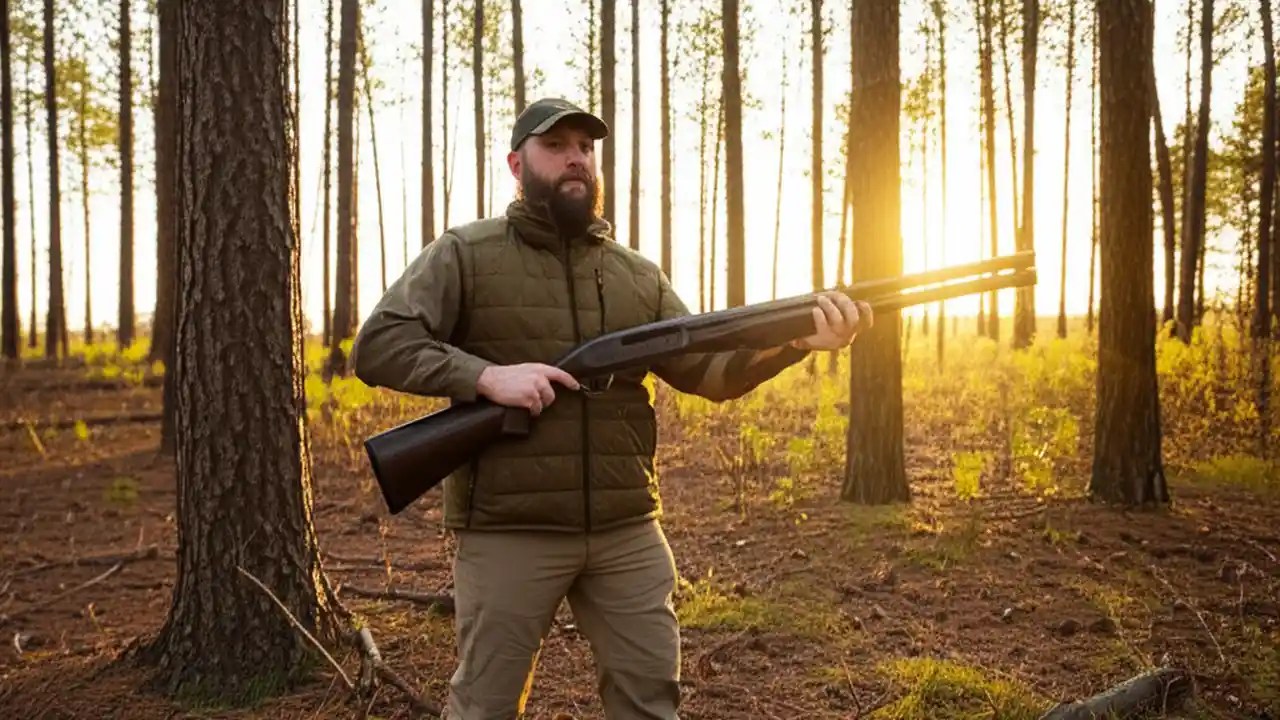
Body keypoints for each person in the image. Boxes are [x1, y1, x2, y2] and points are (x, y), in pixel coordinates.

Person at [350, 97, 871, 720]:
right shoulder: (466, 253)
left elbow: (707, 370)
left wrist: (792, 342)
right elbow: (380, 343)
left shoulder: (636, 275)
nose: (576, 159)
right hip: (509, 529)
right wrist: (487, 377)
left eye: (586, 148)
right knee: (483, 706)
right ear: (517, 165)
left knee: (650, 698)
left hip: (627, 528)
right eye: (557, 146)